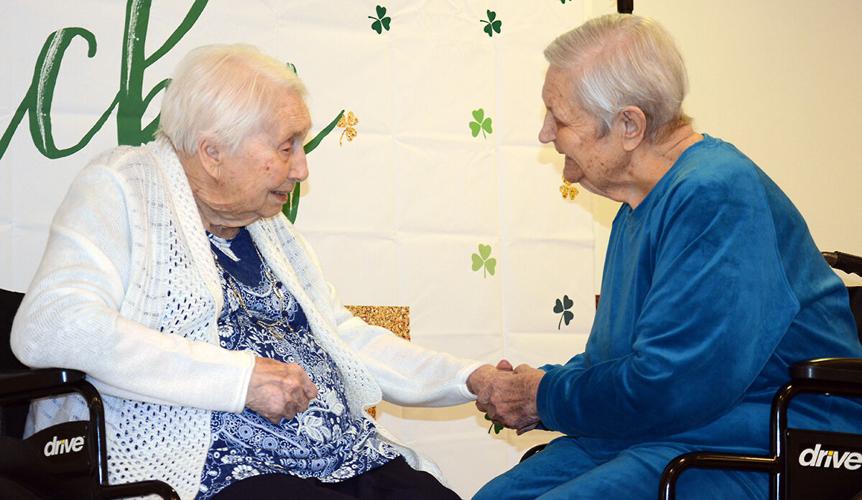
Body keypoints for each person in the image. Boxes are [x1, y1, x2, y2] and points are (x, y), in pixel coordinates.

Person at [11, 44, 498, 500]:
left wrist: (466, 378)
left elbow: (341, 337)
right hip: (208, 467)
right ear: (213, 153)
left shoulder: (270, 228)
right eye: (287, 147)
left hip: (342, 457)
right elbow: (51, 328)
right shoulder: (122, 189)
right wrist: (238, 379)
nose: (302, 169)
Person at [471, 14, 862, 499]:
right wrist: (537, 388)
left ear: (629, 125)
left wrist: (541, 396)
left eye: (561, 117)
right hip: (676, 426)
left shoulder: (714, 195)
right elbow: (621, 363)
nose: (545, 134)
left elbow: (668, 386)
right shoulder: (637, 206)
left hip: (771, 437)